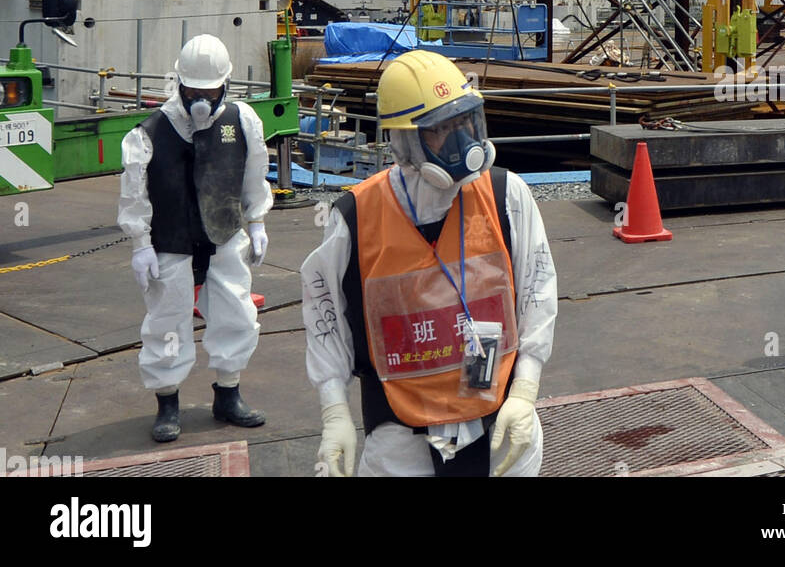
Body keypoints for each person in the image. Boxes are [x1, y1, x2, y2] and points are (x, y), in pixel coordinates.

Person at [301, 50, 557, 477]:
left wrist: (526, 392)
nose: (463, 142)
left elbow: (537, 292)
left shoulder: (505, 197)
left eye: (466, 122)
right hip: (402, 443)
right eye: (441, 130)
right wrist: (334, 412)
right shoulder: (355, 218)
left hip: (501, 426)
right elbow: (324, 316)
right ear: (404, 143)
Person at [118, 34, 272, 441]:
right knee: (167, 323)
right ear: (179, 84)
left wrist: (256, 222)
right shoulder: (149, 131)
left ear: (225, 86)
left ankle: (228, 394)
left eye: (208, 91)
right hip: (171, 241)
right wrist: (140, 244)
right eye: (192, 91)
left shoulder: (242, 122)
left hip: (224, 235)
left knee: (237, 314)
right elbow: (134, 193)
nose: (200, 98)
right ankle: (168, 403)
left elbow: (254, 174)